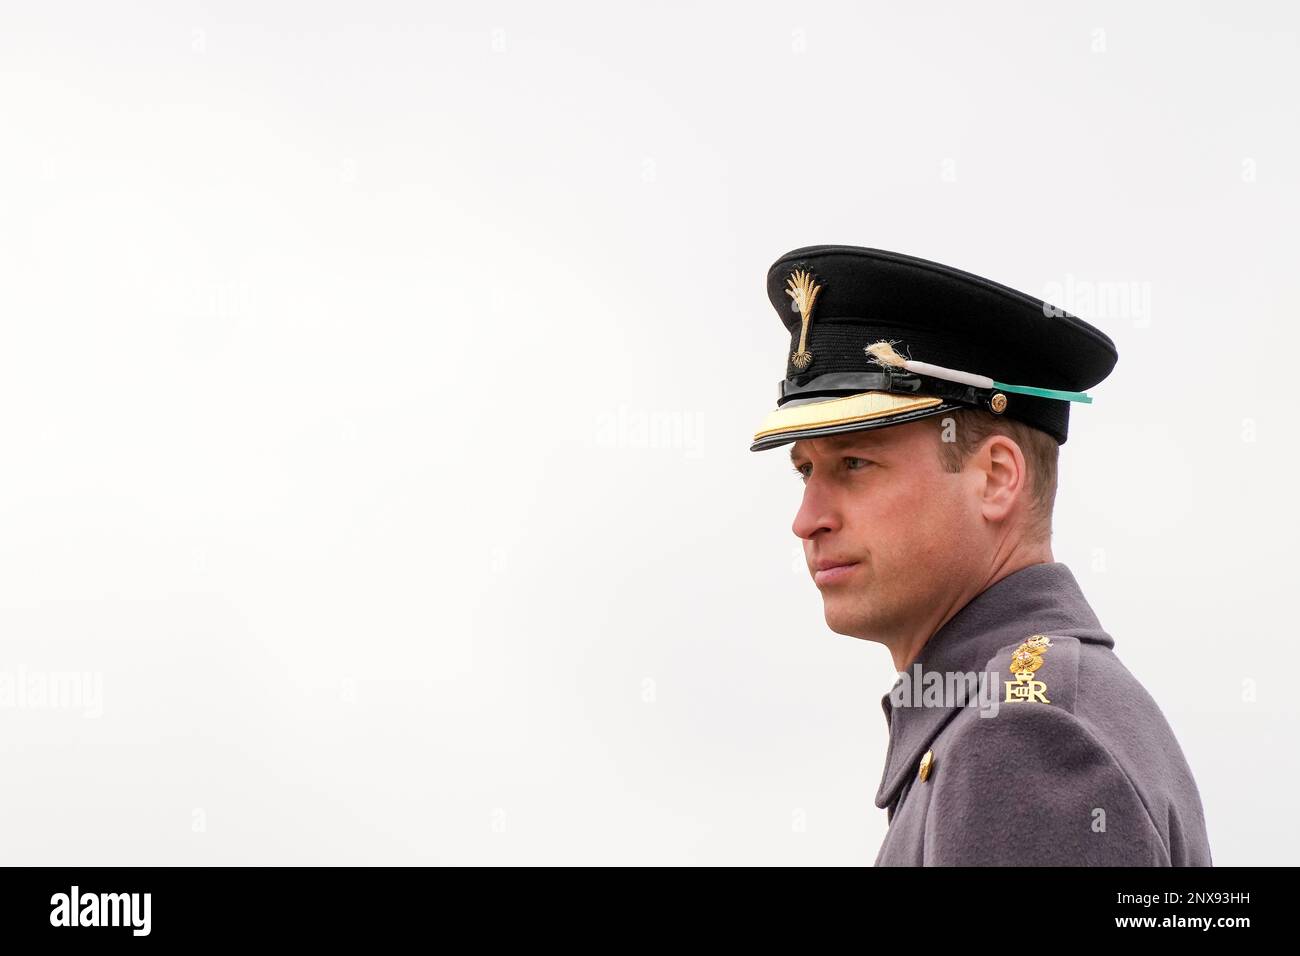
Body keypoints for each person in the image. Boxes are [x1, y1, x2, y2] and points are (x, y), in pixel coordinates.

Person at [751, 245, 1212, 866]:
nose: (807, 521)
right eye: (804, 471)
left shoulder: (1019, 736)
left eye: (855, 464)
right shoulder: (1025, 710)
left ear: (996, 477)